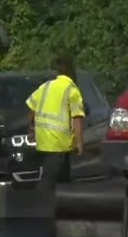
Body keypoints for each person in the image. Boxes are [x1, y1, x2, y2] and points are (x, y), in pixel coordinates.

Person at [25, 55, 85, 189]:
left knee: (53, 176)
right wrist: (79, 142)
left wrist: (31, 130)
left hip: (43, 140)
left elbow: (31, 109)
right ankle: (44, 199)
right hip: (59, 142)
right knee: (51, 179)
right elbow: (77, 118)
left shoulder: (45, 87)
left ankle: (52, 199)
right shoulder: (72, 90)